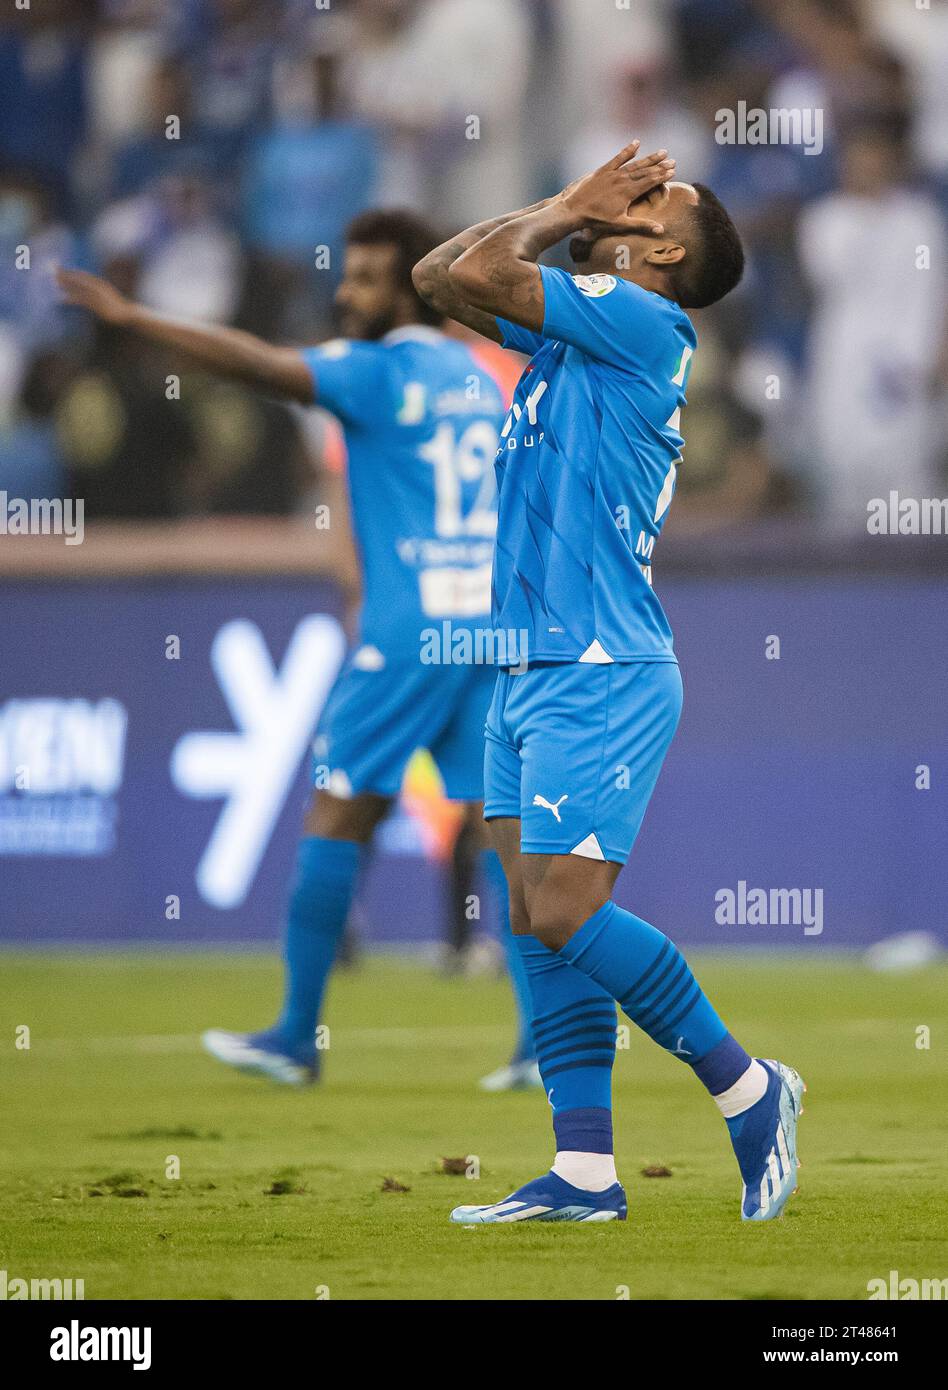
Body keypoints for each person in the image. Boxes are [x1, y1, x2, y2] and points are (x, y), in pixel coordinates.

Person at [56, 208, 539, 1091]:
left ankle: (293, 1036)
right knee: (502, 834)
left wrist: (137, 322)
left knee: (337, 814)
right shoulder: (478, 377)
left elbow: (260, 365)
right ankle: (541, 1048)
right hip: (490, 626)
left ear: (406, 287)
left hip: (409, 636)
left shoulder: (374, 369)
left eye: (362, 276)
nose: (345, 291)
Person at [412, 142, 805, 1223]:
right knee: (534, 918)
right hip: (524, 663)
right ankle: (584, 1170)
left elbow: (488, 272)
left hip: (603, 666)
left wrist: (571, 209)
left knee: (569, 906)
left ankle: (749, 1085)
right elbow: (439, 275)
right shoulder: (576, 334)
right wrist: (568, 203)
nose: (626, 197)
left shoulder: (640, 323)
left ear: (665, 248)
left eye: (649, 196)